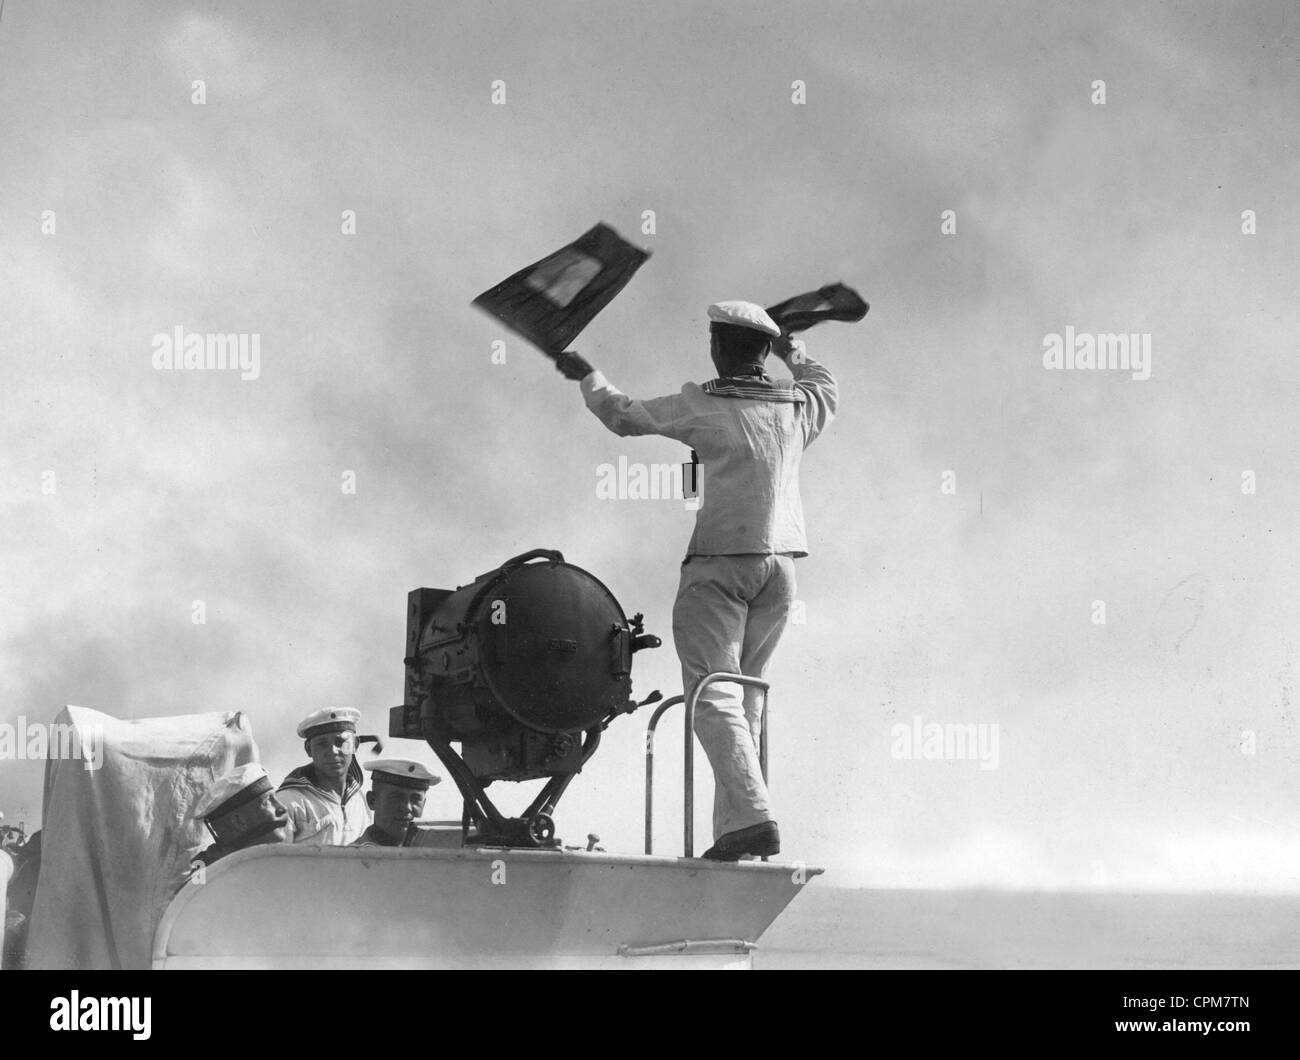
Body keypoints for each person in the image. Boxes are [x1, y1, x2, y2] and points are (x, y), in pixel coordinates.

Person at [555, 300, 837, 860]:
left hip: (721, 563)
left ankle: (755, 818)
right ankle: (736, 832)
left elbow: (623, 415)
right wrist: (792, 348)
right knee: (745, 698)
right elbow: (822, 379)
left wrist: (587, 374)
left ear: (717, 346)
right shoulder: (801, 405)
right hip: (782, 569)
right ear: (764, 350)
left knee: (712, 692)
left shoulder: (703, 406)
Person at [277, 708, 372, 845]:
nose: (333, 751)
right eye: (322, 744)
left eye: (341, 742)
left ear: (355, 745)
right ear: (308, 749)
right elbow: (276, 862)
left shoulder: (361, 800)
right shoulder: (288, 802)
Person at [191, 763, 292, 867]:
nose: (283, 808)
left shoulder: (269, 861)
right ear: (239, 821)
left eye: (275, 798)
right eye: (267, 802)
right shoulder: (208, 875)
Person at [350, 758, 441, 847]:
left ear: (423, 805)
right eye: (397, 798)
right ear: (372, 801)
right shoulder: (351, 857)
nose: (407, 807)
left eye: (415, 799)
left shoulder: (434, 856)